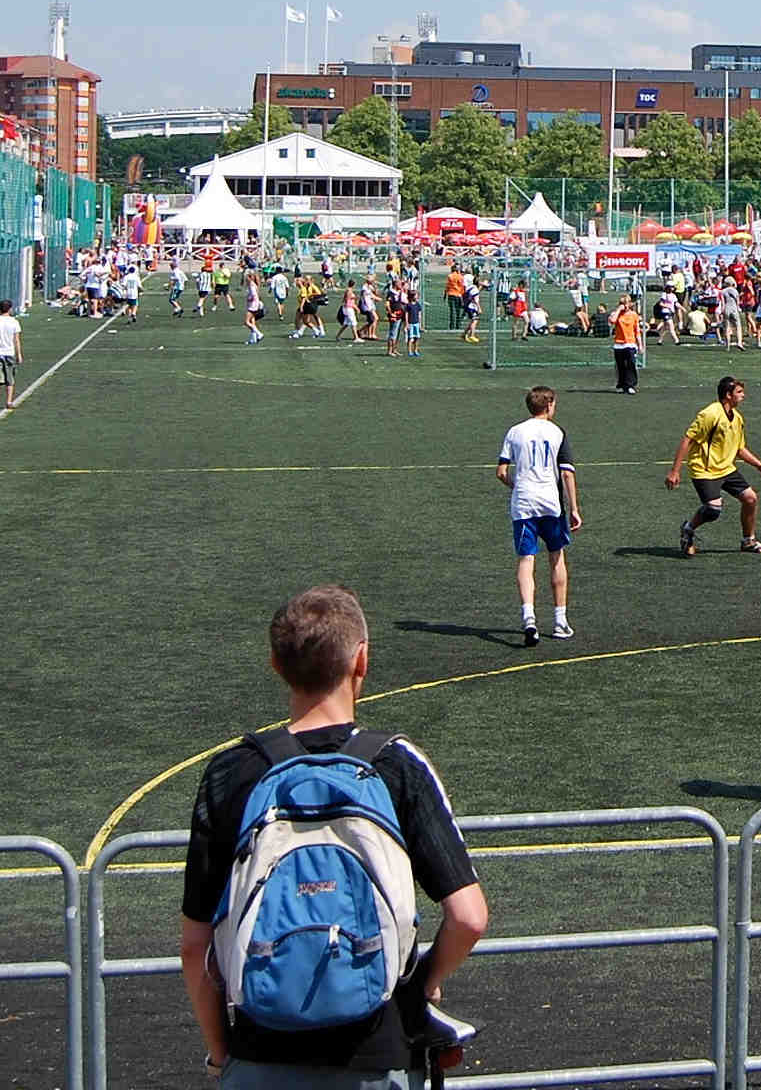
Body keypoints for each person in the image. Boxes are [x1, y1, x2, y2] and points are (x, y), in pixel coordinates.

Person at [179, 585, 488, 1088]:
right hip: (376, 1052)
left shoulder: (231, 771)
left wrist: (221, 1055)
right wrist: (419, 987)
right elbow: (469, 917)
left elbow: (196, 947)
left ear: (276, 665)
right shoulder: (396, 765)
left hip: (261, 1050)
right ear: (361, 660)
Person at [498, 386, 581, 645]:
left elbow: (501, 472)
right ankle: (559, 621)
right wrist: (575, 508)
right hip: (550, 503)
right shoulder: (557, 432)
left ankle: (529, 620)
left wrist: (518, 486)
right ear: (549, 405)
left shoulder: (515, 431)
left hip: (523, 504)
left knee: (526, 560)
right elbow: (566, 473)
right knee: (556, 557)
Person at [668, 376, 761, 556]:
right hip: (704, 469)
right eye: (739, 392)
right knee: (713, 510)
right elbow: (688, 439)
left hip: (726, 469)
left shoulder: (738, 419)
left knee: (751, 499)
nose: (744, 396)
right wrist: (675, 471)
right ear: (728, 395)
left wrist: (759, 465)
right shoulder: (710, 414)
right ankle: (688, 529)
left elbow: (739, 448)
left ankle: (748, 540)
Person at [610, 294, 642, 395]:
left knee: (631, 364)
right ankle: (621, 385)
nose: (624, 306)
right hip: (619, 344)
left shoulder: (634, 315)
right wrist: (619, 310)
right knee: (620, 366)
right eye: (622, 303)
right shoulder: (616, 314)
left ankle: (630, 385)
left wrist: (640, 344)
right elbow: (612, 320)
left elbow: (637, 331)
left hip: (630, 343)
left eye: (626, 303)